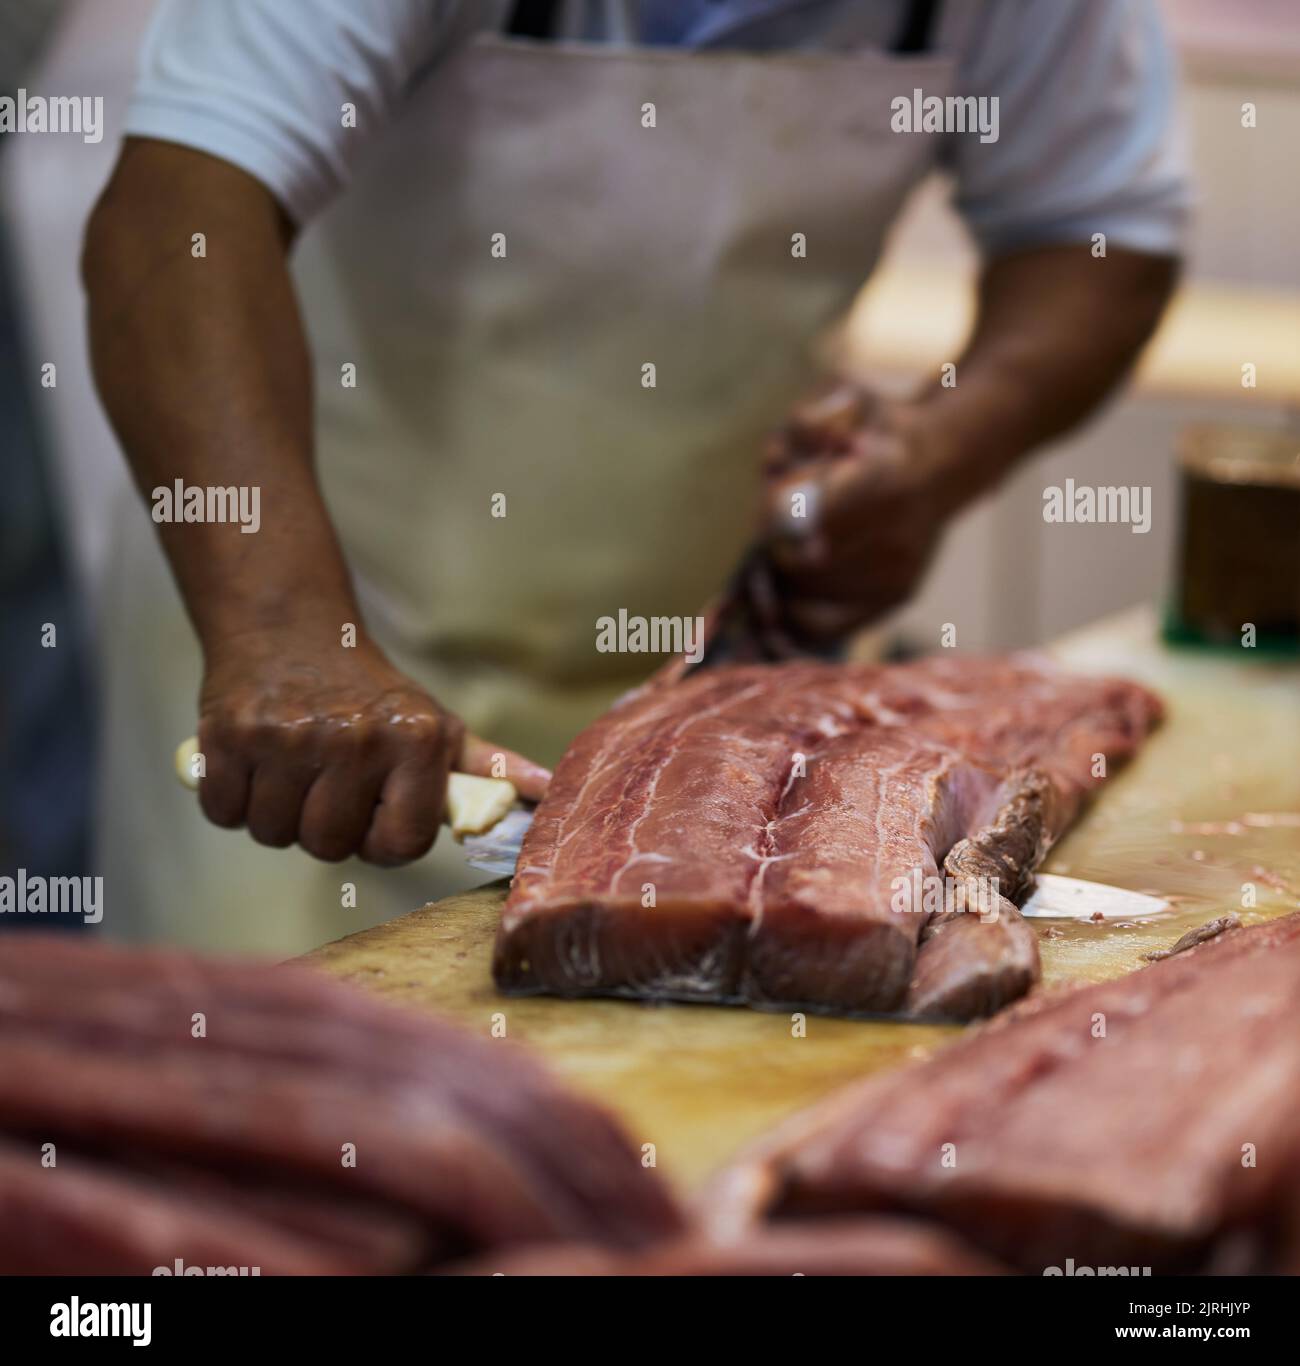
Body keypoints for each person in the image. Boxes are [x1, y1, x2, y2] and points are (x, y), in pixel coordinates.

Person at [82, 0, 1188, 954]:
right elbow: (179, 213)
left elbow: (1099, 231)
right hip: (318, 691)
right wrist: (284, 632)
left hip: (705, 721)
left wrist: (939, 456)